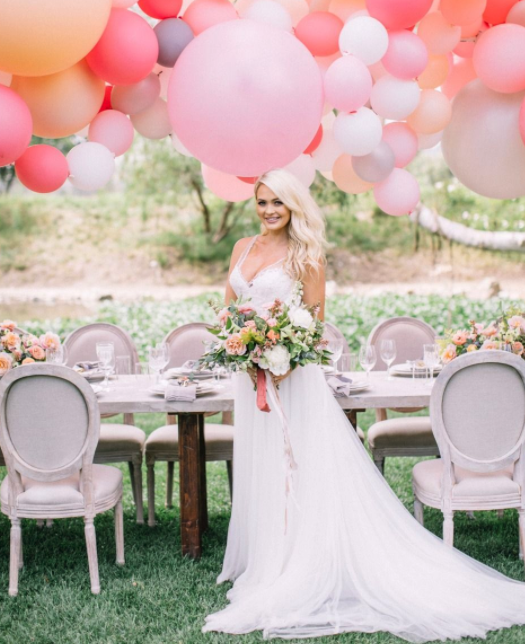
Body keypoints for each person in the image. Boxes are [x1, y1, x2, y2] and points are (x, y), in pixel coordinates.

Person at [203, 169, 525, 642]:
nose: (269, 210)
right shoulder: (242, 249)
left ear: (294, 206)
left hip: (291, 378)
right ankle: (268, 556)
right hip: (250, 377)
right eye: (262, 202)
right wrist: (240, 346)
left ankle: (301, 562)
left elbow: (313, 323)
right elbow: (226, 310)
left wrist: (282, 360)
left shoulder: (307, 255)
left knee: (299, 466)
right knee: (263, 465)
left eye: (278, 203)